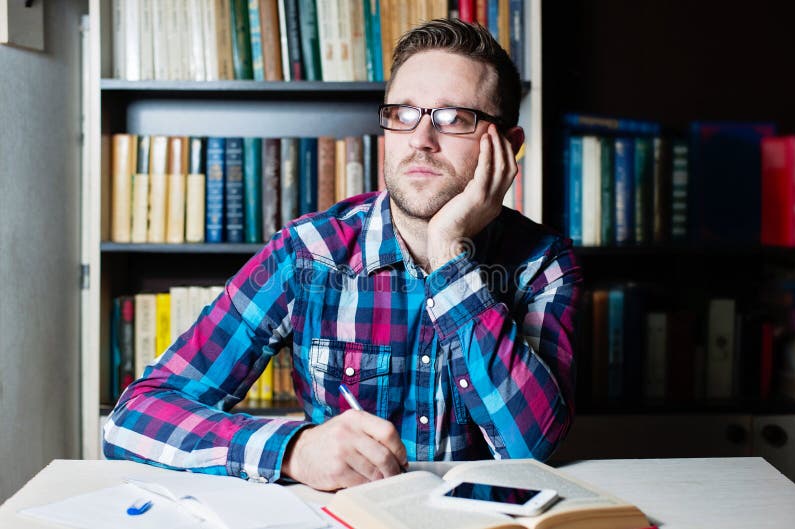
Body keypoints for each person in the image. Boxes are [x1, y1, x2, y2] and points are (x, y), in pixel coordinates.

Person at [103, 18, 582, 492]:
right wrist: (293, 451)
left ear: (509, 147)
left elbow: (531, 446)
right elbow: (135, 416)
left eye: (454, 118)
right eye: (403, 114)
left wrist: (448, 254)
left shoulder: (542, 262)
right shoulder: (308, 254)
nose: (420, 140)